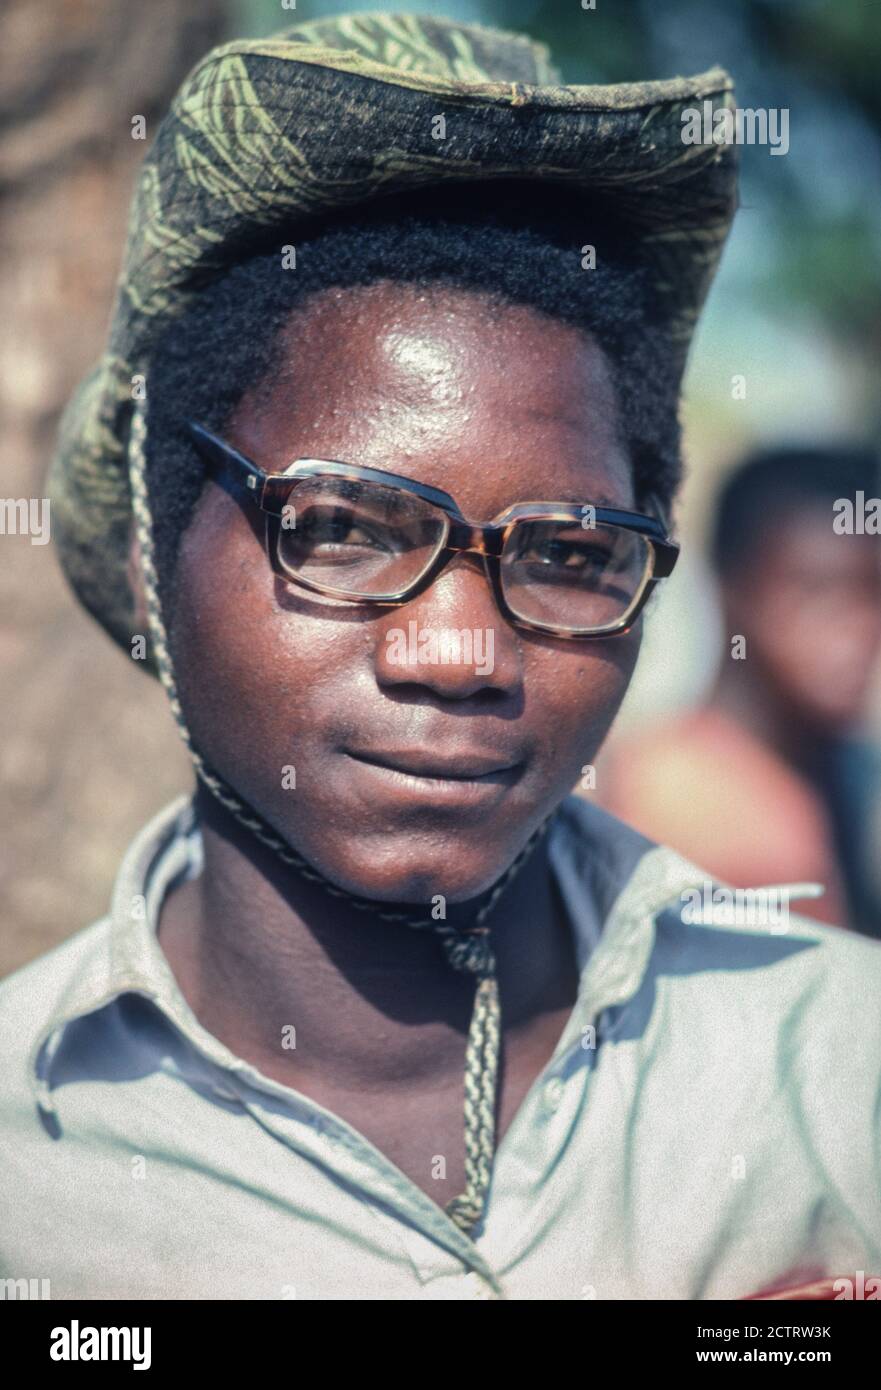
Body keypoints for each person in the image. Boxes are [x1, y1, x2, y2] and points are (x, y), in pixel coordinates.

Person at [2, 12, 880, 1301]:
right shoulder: (35, 1169)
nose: (460, 649)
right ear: (152, 554)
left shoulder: (836, 1067)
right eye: (344, 529)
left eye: (569, 554)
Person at [600, 445, 881, 937]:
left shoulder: (846, 771)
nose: (859, 630)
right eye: (817, 592)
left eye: (873, 593)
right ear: (732, 585)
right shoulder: (687, 801)